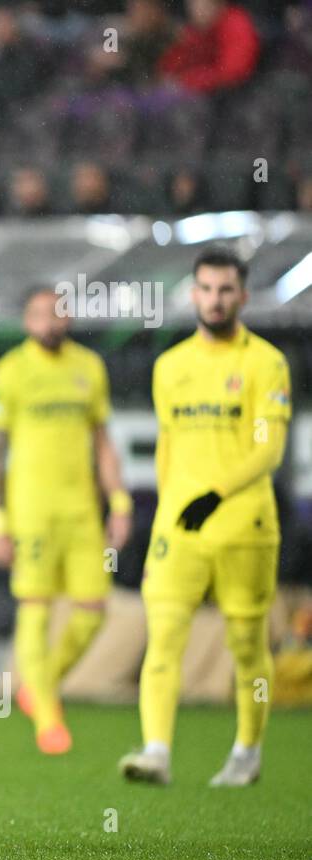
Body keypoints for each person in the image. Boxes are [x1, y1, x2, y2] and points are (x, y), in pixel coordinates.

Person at [120, 246, 290, 787]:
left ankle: (247, 751)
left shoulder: (266, 363)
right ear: (193, 293)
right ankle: (155, 752)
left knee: (246, 643)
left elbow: (269, 448)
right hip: (181, 528)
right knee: (164, 636)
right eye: (206, 289)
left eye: (225, 290)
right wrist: (170, 511)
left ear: (241, 295)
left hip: (245, 527)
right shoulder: (171, 366)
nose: (215, 300)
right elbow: (169, 445)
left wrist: (214, 494)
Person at [0, 287, 131, 755]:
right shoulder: (9, 372)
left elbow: (103, 443)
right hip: (31, 513)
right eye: (40, 314)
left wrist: (120, 503)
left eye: (57, 312)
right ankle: (48, 716)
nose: (49, 321)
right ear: (26, 321)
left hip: (82, 512)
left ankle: (39, 687)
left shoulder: (89, 367)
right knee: (35, 608)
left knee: (93, 611)